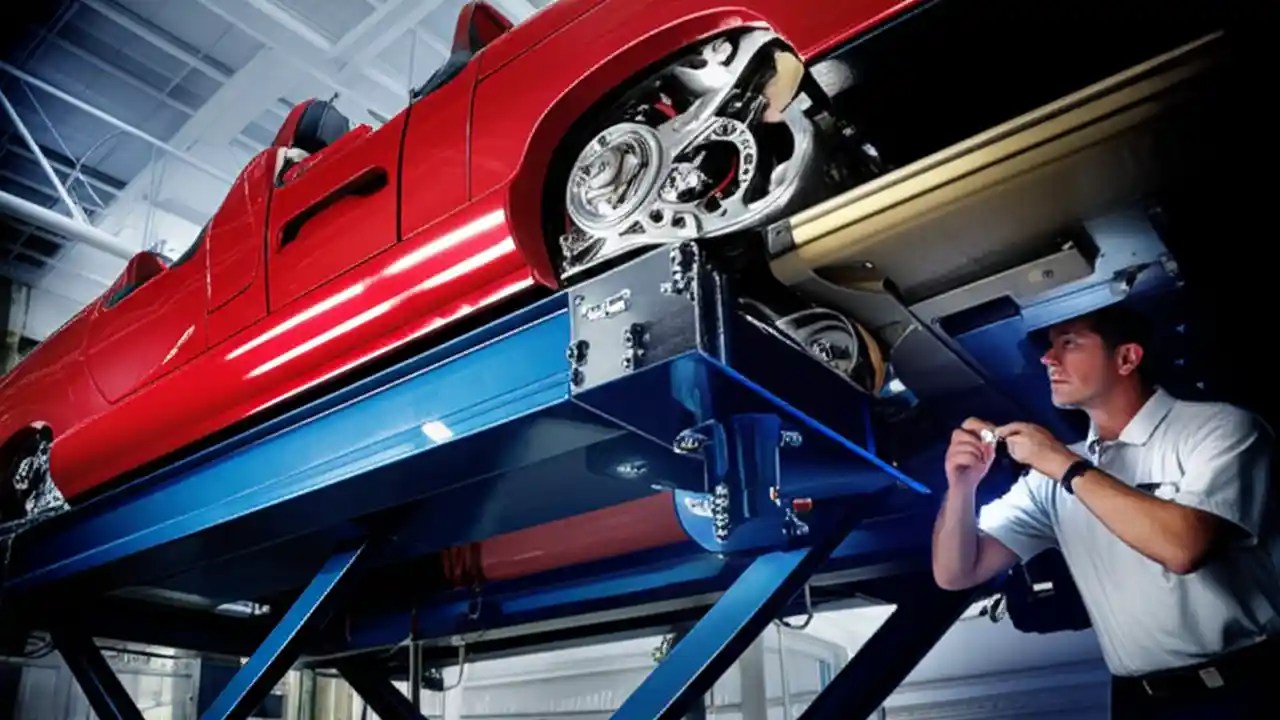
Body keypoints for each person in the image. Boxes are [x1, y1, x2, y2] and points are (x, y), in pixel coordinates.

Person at [930, 303, 1278, 719]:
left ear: (1127, 357)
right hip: (1137, 702)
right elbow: (956, 572)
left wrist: (1063, 463)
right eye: (1050, 346)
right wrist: (962, 486)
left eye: (1069, 342)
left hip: (1245, 692)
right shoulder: (1050, 477)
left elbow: (1183, 547)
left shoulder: (1220, 429)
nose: (1047, 358)